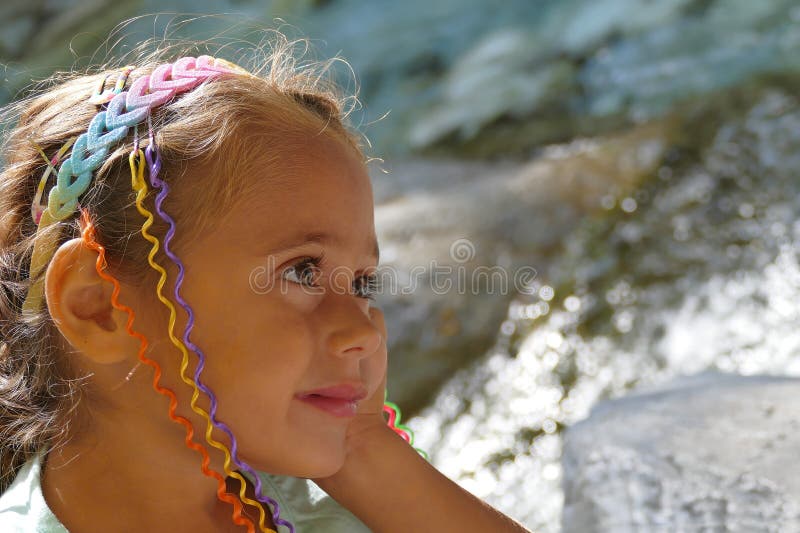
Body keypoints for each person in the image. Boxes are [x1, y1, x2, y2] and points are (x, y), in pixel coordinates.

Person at [0, 30, 532, 533]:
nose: (365, 332)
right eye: (302, 271)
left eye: (361, 284)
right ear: (99, 305)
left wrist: (366, 448)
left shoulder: (365, 509)